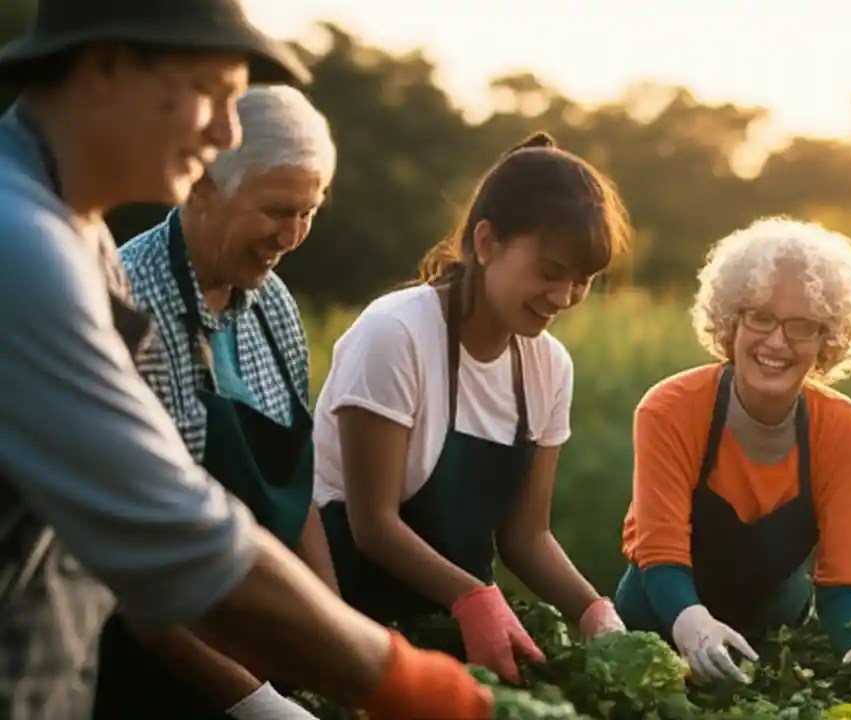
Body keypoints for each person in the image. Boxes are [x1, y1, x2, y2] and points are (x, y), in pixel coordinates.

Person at [0, 1, 491, 718]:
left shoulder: (75, 234)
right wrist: (392, 677)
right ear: (104, 67)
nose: (226, 130)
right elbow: (167, 529)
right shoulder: (23, 249)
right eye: (209, 89)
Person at [313, 132, 632, 684]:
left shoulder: (548, 367)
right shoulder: (396, 335)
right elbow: (373, 525)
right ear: (486, 243)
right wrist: (471, 597)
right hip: (343, 613)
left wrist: (596, 615)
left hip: (452, 625)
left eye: (582, 281)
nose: (563, 297)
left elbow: (526, 537)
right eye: (550, 271)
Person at [91, 85, 339, 719]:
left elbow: (296, 495)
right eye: (278, 210)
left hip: (261, 646)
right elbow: (122, 559)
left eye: (309, 213)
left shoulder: (275, 305)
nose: (293, 235)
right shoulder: (122, 309)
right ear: (201, 187)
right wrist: (253, 703)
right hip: (150, 671)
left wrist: (335, 645)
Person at [614, 216, 851, 683]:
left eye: (802, 326)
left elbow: (843, 577)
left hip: (774, 644)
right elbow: (659, 552)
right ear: (731, 321)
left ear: (828, 340)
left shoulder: (842, 427)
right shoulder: (669, 410)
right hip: (659, 626)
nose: (776, 342)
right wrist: (692, 625)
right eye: (760, 317)